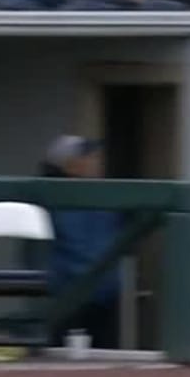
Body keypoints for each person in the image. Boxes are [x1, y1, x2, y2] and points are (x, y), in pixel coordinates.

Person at [40, 135, 121, 349]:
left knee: (108, 357)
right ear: (69, 165)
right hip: (65, 296)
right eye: (87, 157)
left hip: (105, 298)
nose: (95, 162)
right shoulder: (50, 200)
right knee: (57, 358)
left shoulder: (107, 198)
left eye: (94, 157)